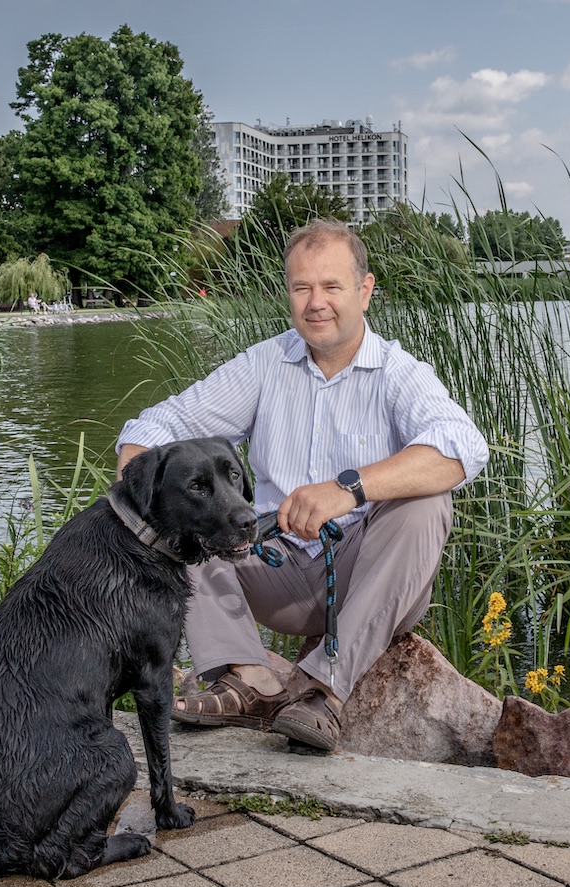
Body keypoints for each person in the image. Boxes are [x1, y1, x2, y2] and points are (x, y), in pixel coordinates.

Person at [115, 219, 488, 750]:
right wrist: (138, 489)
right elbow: (157, 425)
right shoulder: (265, 364)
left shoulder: (399, 373)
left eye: (332, 286)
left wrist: (349, 488)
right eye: (301, 287)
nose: (316, 302)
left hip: (370, 577)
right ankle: (249, 679)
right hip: (273, 568)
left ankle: (324, 691)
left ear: (365, 289)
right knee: (175, 514)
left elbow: (463, 446)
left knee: (426, 503)